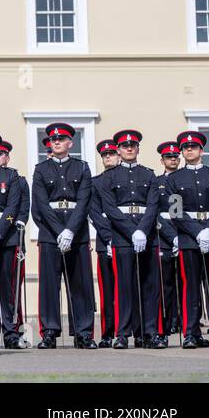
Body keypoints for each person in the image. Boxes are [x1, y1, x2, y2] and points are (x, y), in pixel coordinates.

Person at [31, 121, 96, 349]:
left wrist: (70, 230)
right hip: (50, 234)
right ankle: (49, 331)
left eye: (61, 139)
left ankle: (83, 332)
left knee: (80, 284)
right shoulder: (41, 170)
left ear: (70, 142)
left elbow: (84, 202)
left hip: (77, 234)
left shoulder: (82, 168)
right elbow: (40, 205)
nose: (56, 142)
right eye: (52, 140)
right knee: (49, 286)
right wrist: (59, 231)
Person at [97, 129, 160, 350]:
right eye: (125, 146)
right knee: (123, 287)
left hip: (147, 236)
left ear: (138, 149)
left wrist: (142, 230)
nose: (129, 148)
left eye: (133, 145)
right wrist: (132, 231)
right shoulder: (109, 177)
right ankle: (122, 333)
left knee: (148, 286)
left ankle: (149, 332)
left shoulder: (149, 175)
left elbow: (153, 206)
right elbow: (110, 208)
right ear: (119, 150)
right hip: (122, 237)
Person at [168, 130, 209, 349]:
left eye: (194, 147)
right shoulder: (174, 178)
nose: (189, 150)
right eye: (186, 148)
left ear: (201, 150)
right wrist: (198, 232)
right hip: (189, 238)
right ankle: (191, 333)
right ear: (182, 152)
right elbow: (175, 212)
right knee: (190, 287)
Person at [0, 136, 26, 349]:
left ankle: (10, 332)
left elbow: (13, 208)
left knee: (6, 288)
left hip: (7, 236)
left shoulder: (11, 176)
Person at [153, 141, 183, 347]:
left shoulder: (184, 179)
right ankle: (167, 321)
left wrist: (180, 235)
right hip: (162, 236)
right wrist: (171, 236)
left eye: (175, 157)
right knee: (166, 285)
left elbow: (180, 213)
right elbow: (155, 213)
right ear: (162, 160)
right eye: (168, 157)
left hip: (184, 233)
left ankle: (181, 321)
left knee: (183, 282)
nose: (172, 159)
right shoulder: (156, 182)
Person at [92, 141, 120, 347]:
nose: (108, 157)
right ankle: (108, 332)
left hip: (127, 241)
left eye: (111, 153)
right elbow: (94, 212)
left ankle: (129, 330)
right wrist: (108, 237)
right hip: (105, 242)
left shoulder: (128, 178)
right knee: (107, 290)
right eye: (105, 155)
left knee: (128, 289)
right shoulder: (95, 182)